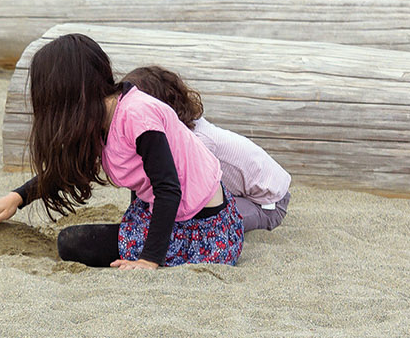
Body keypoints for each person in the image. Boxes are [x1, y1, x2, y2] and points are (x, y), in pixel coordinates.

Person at [0, 33, 243, 269]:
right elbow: (72, 169)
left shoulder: (136, 115)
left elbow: (169, 188)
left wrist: (148, 260)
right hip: (172, 211)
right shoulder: (102, 115)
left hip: (203, 229)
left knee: (72, 243)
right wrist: (17, 198)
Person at [120, 65, 290, 232]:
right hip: (241, 192)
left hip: (267, 204)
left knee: (194, 226)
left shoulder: (197, 142)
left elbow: (176, 193)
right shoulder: (185, 128)